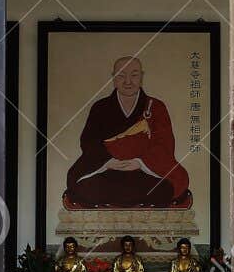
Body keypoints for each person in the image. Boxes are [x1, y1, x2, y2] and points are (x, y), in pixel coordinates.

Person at [64, 55, 190, 208]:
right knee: (83, 187)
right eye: (121, 76)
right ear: (114, 78)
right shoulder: (101, 107)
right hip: (107, 170)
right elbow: (89, 142)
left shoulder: (155, 107)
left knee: (164, 189)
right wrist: (109, 162)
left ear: (142, 77)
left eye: (134, 75)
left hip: (145, 172)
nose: (128, 81)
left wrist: (139, 163)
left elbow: (165, 144)